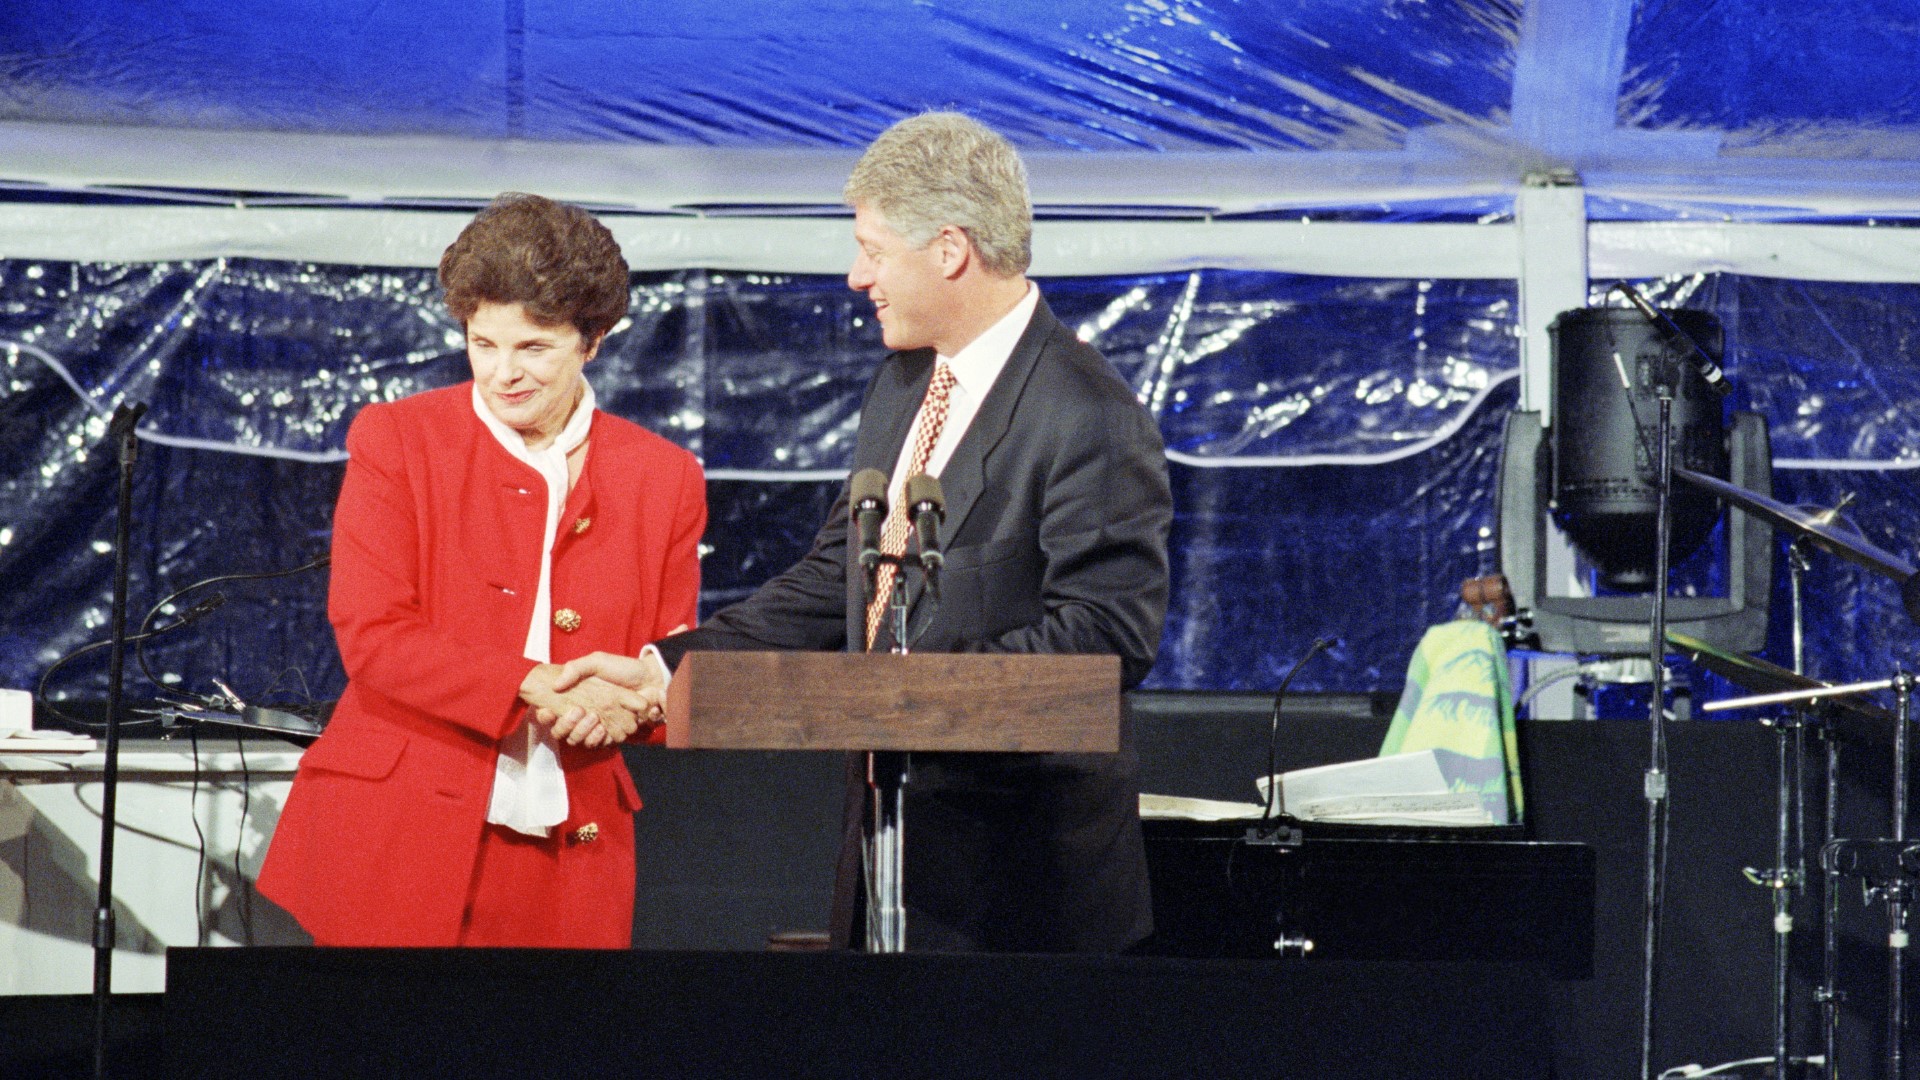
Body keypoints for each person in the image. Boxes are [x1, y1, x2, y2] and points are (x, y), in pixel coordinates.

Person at [557, 113, 1172, 953]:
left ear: (950, 249)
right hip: (887, 851)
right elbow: (842, 573)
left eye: (874, 251)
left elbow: (1107, 637)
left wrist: (898, 694)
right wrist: (668, 663)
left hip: (1019, 895)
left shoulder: (1088, 412)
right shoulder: (904, 381)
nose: (856, 277)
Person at [257, 193, 707, 948]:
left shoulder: (666, 475)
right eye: (482, 342)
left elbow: (666, 657)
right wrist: (531, 682)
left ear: (592, 340)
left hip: (575, 840)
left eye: (534, 348)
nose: (504, 374)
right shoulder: (396, 440)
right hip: (400, 831)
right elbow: (372, 637)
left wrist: (630, 706)